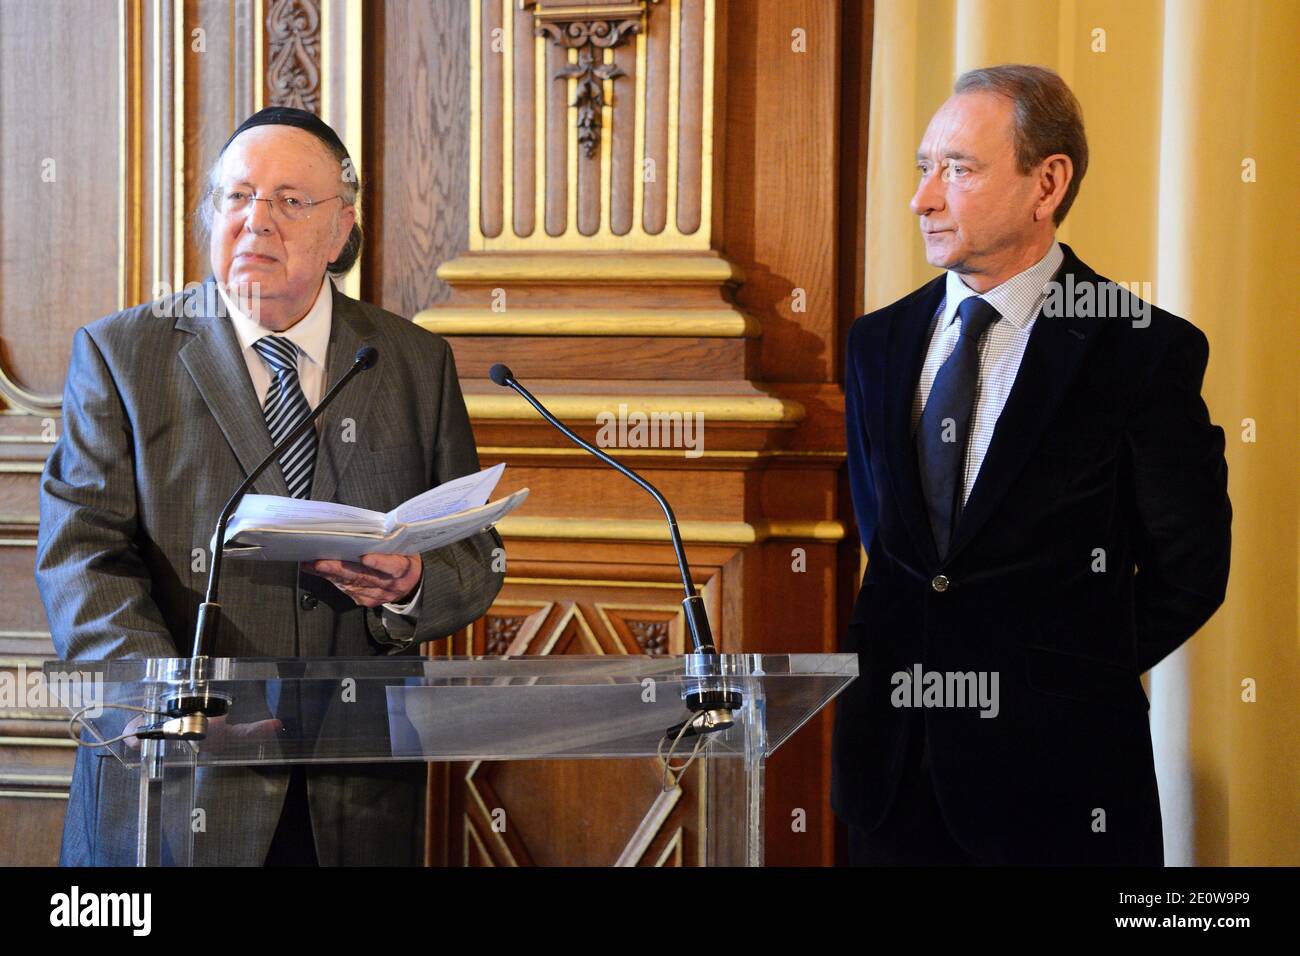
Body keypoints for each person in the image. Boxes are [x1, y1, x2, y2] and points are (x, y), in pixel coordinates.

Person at [36, 107, 503, 866]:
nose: (257, 221)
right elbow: (82, 558)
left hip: (353, 790)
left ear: (341, 228)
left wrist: (413, 580)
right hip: (179, 776)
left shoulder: (412, 362)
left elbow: (476, 556)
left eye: (289, 201)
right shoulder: (124, 355)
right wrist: (169, 704)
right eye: (237, 197)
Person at [832, 65, 1231, 865]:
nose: (924, 199)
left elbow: (1190, 569)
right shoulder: (878, 343)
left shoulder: (1143, 349)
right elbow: (896, 550)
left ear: (1047, 183)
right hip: (891, 783)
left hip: (1062, 790)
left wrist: (1061, 678)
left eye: (959, 169)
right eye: (923, 168)